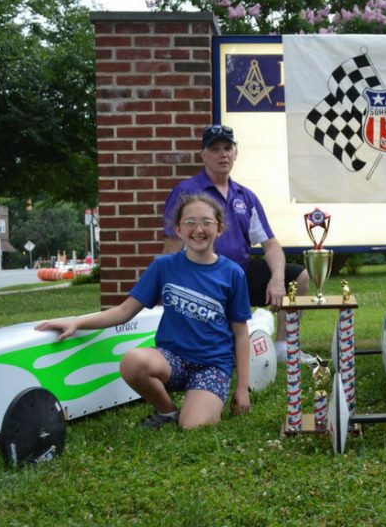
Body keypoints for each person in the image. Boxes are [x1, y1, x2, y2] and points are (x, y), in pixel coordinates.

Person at [37, 194, 251, 429]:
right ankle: (167, 412)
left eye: (206, 222)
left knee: (193, 426)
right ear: (178, 229)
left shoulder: (232, 273)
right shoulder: (163, 266)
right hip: (173, 360)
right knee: (133, 361)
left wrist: (241, 389)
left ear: (219, 228)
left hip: (212, 365)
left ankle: (199, 403)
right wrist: (76, 321)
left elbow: (240, 333)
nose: (198, 229)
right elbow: (124, 311)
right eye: (190, 222)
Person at [163, 124, 308, 358]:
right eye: (215, 149)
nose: (223, 154)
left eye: (228, 148)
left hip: (239, 276)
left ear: (236, 153)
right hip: (203, 279)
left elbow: (270, 244)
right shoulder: (186, 192)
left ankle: (284, 348)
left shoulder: (246, 196)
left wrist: (278, 279)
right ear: (203, 156)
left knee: (297, 276)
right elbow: (171, 247)